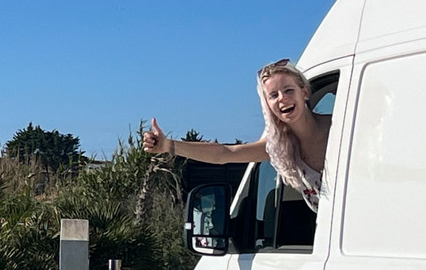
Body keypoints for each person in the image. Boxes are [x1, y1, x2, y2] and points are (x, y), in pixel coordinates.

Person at [142, 58, 332, 212]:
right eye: (273, 95)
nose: (282, 98)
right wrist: (168, 146)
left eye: (288, 90)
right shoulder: (281, 148)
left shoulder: (337, 126)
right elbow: (226, 153)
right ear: (267, 105)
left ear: (305, 92)